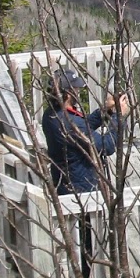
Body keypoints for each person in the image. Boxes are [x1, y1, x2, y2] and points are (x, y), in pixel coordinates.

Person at [41, 70, 127, 265]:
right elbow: (106, 146)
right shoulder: (69, 122)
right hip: (82, 191)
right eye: (76, 89)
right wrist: (119, 118)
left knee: (78, 243)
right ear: (68, 93)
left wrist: (106, 111)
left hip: (66, 185)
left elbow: (83, 129)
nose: (79, 92)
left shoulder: (52, 115)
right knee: (86, 246)